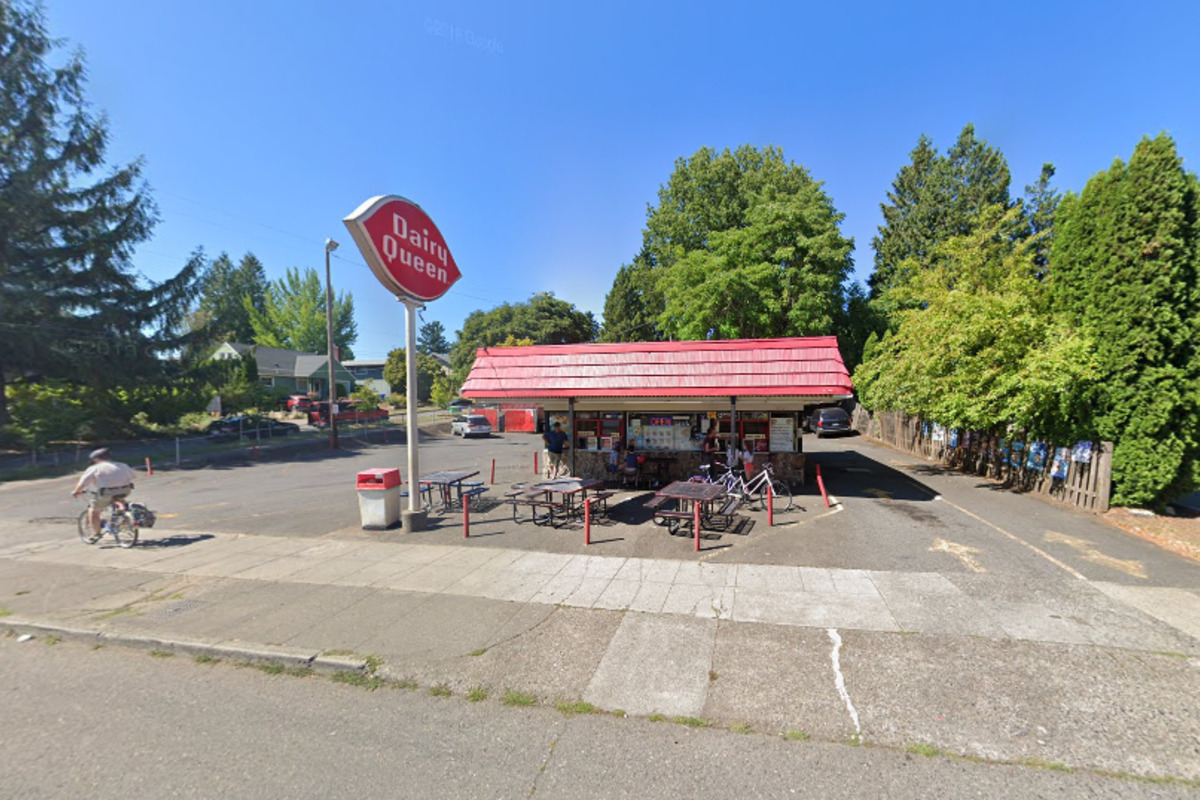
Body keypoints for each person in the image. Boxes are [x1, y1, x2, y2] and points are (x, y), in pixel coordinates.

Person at [71, 448, 137, 543]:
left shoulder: (95, 468)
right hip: (126, 490)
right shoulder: (123, 465)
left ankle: (96, 534)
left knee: (94, 510)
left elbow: (83, 482)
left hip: (107, 492)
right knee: (119, 499)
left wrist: (76, 491)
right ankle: (122, 516)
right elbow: (132, 476)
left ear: (96, 459)